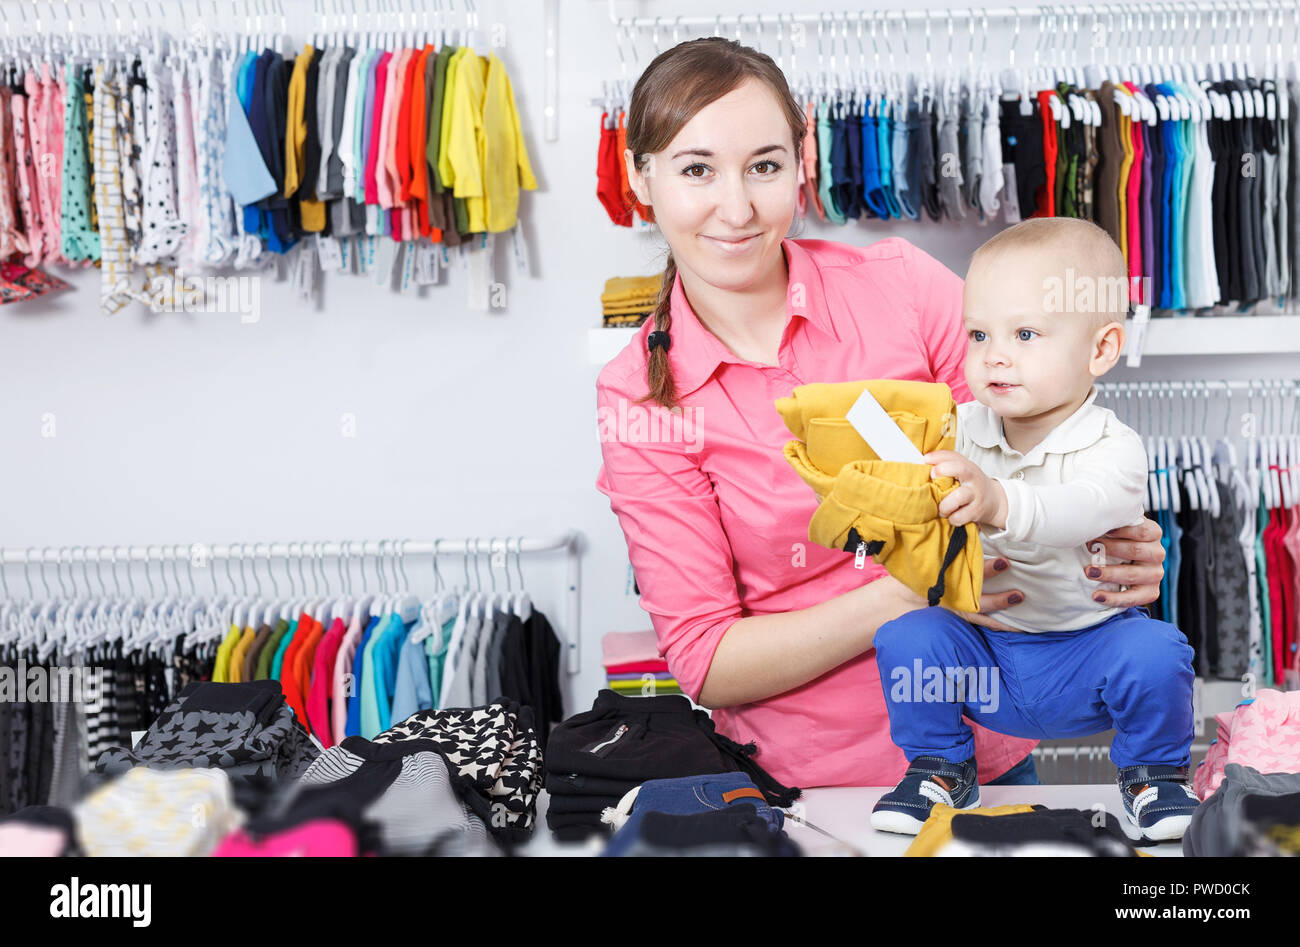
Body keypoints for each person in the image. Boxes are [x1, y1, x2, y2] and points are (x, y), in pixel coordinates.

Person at [594, 37, 1167, 792]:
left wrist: (1107, 531)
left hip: (989, 756)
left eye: (764, 166)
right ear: (642, 175)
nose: (736, 208)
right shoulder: (639, 396)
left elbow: (1033, 457)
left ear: (802, 157)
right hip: (810, 792)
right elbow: (708, 661)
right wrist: (913, 585)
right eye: (696, 169)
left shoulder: (902, 287)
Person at [869, 218, 1198, 841]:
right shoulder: (960, 428)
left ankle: (1153, 776)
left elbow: (1080, 509)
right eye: (979, 334)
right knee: (910, 636)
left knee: (1157, 652)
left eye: (1025, 333)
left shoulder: (1115, 447)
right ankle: (941, 767)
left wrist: (997, 501)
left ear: (1100, 350)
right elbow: (910, 495)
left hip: (1087, 648)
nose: (995, 354)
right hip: (984, 657)